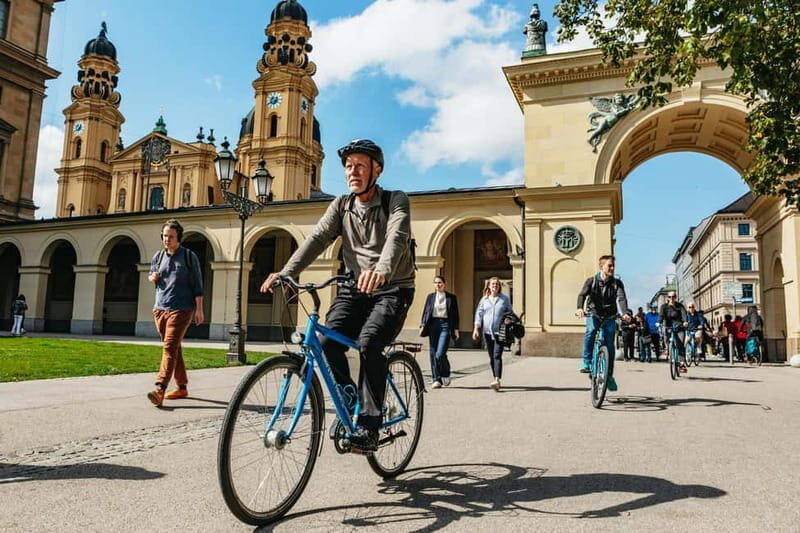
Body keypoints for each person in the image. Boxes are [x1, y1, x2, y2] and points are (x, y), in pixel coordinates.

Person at [260, 139, 415, 453]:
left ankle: (369, 425)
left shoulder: (395, 201)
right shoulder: (342, 205)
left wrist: (382, 270)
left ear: (377, 170)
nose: (352, 172)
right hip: (355, 287)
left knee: (371, 342)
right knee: (328, 342)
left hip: (392, 288)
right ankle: (350, 405)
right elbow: (317, 238)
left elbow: (397, 237)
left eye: (360, 165)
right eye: (348, 166)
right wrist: (287, 272)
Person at [146, 219, 204, 406]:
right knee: (174, 348)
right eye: (164, 236)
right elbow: (151, 274)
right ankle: (182, 386)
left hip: (181, 308)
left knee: (169, 347)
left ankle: (160, 388)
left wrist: (199, 309)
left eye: (171, 236)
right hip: (160, 308)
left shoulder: (188, 256)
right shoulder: (158, 256)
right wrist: (152, 277)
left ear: (178, 237)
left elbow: (198, 284)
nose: (167, 240)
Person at [576, 255, 630, 392]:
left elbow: (622, 298)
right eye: (609, 266)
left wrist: (625, 313)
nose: (612, 268)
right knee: (591, 331)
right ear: (602, 266)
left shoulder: (617, 283)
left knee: (609, 345)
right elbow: (582, 295)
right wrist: (579, 308)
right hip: (593, 314)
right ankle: (587, 362)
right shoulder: (591, 281)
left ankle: (609, 375)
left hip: (610, 316)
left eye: (613, 266)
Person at [472, 277, 514, 391]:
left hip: (500, 332)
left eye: (496, 284)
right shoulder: (484, 300)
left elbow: (510, 312)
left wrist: (508, 319)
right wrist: (476, 328)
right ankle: (495, 377)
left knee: (497, 355)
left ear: (499, 286)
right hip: (487, 332)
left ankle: (497, 379)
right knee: (491, 357)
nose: (494, 286)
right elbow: (479, 314)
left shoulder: (504, 299)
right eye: (492, 284)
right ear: (489, 286)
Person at [419, 275, 460, 389]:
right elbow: (426, 311)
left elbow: (455, 315)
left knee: (440, 353)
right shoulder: (430, 297)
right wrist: (422, 325)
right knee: (433, 353)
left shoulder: (451, 297)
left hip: (446, 325)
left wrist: (456, 329)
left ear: (444, 284)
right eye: (436, 283)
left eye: (440, 282)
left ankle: (445, 373)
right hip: (433, 325)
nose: (438, 285)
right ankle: (436, 379)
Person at [657, 292, 689, 372]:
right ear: (667, 298)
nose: (672, 298)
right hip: (669, 327)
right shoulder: (664, 307)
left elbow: (684, 314)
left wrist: (685, 322)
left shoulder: (680, 306)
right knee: (667, 340)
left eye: (673, 296)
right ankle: (668, 349)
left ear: (676, 297)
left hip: (679, 327)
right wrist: (659, 322)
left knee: (680, 344)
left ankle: (682, 364)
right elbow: (661, 316)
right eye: (670, 297)